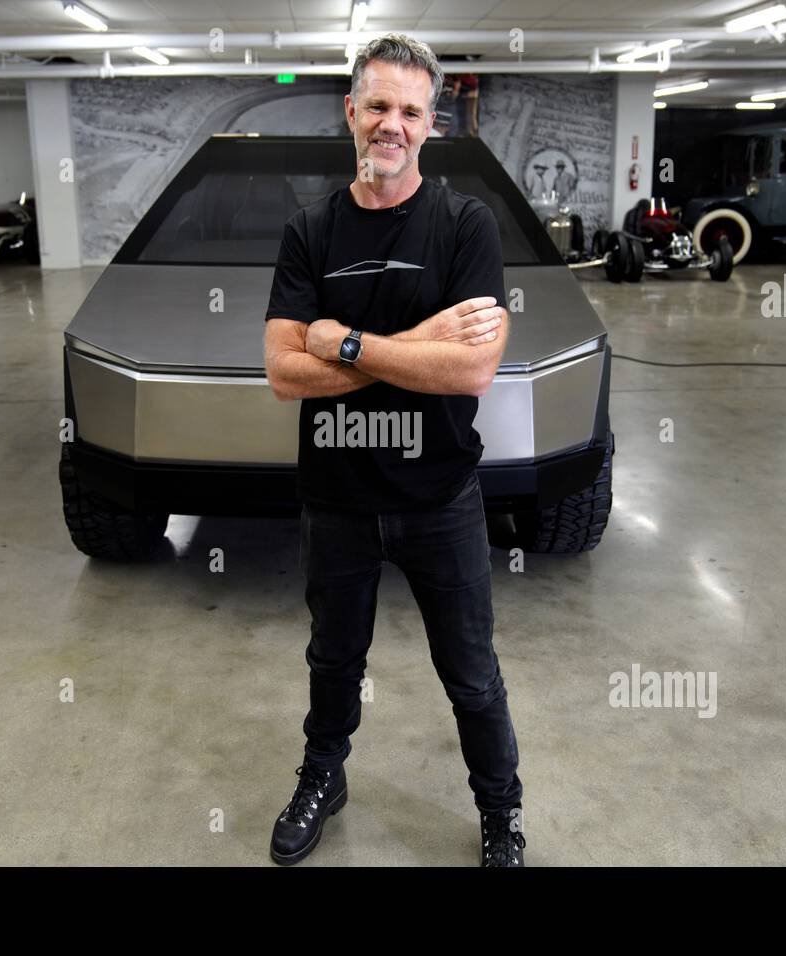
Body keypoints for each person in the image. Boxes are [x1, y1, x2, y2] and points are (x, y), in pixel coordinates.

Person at [262, 33, 525, 867]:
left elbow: (473, 368)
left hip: (440, 498)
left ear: (431, 124)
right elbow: (280, 372)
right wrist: (416, 348)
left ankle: (500, 810)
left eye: (410, 111)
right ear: (350, 112)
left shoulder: (464, 225)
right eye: (377, 106)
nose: (392, 125)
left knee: (472, 675)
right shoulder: (310, 231)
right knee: (332, 659)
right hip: (336, 499)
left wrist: (343, 344)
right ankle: (323, 776)